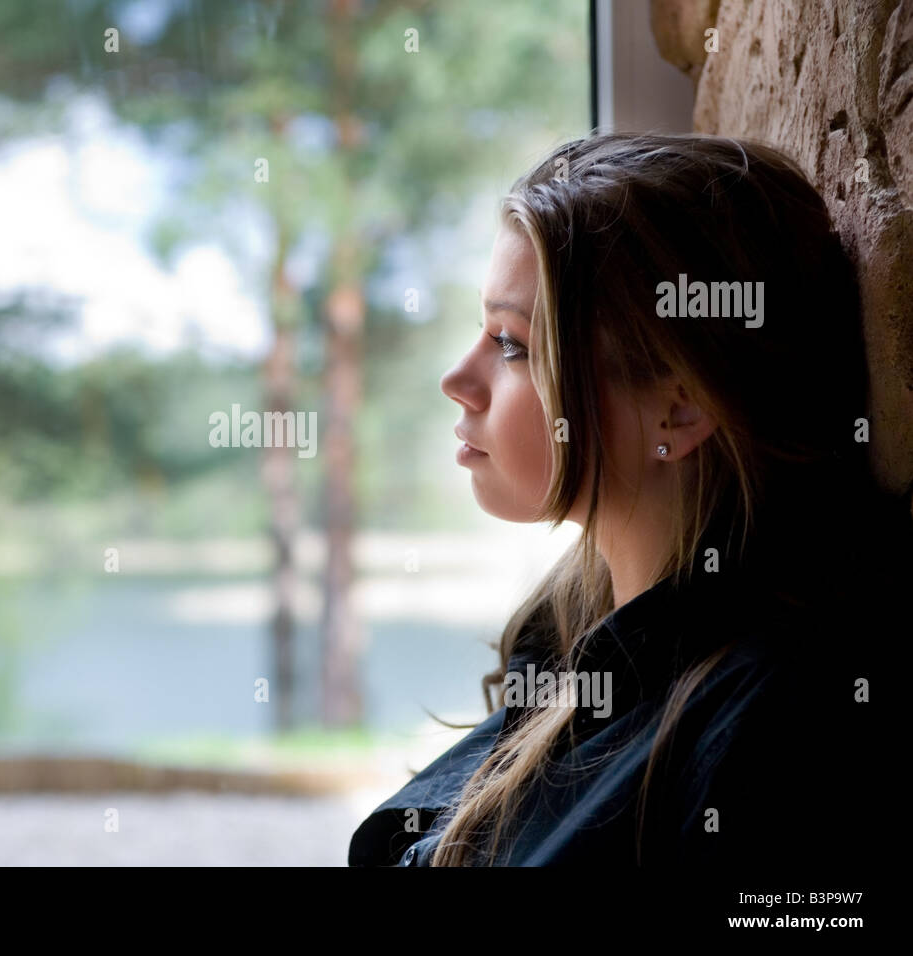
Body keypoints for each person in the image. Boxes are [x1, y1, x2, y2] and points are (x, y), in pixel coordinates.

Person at [348, 132, 910, 867]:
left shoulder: (779, 726)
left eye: (513, 344)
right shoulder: (574, 646)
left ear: (677, 410)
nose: (458, 377)